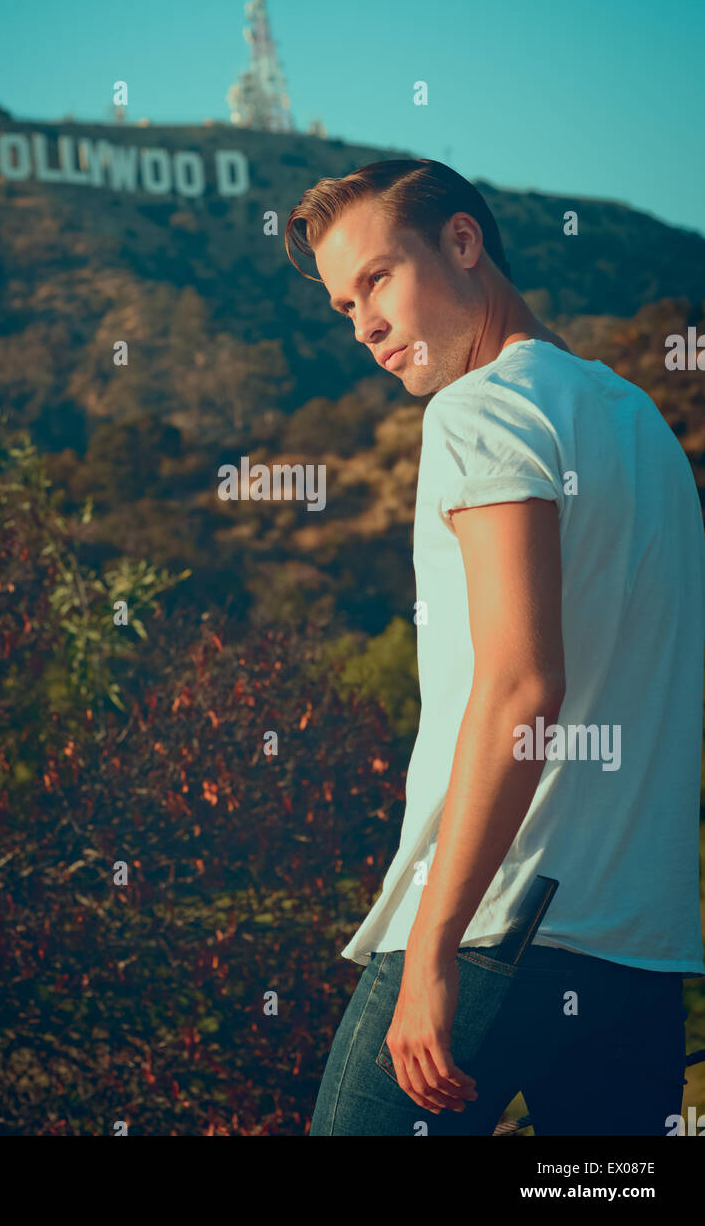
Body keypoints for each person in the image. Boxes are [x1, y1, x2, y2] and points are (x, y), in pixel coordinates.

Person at [283, 159, 705, 1136]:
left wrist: (433, 942)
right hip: (640, 954)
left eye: (378, 279)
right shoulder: (642, 425)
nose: (363, 325)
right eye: (345, 304)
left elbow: (521, 690)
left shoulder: (479, 408)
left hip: (494, 927)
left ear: (463, 243)